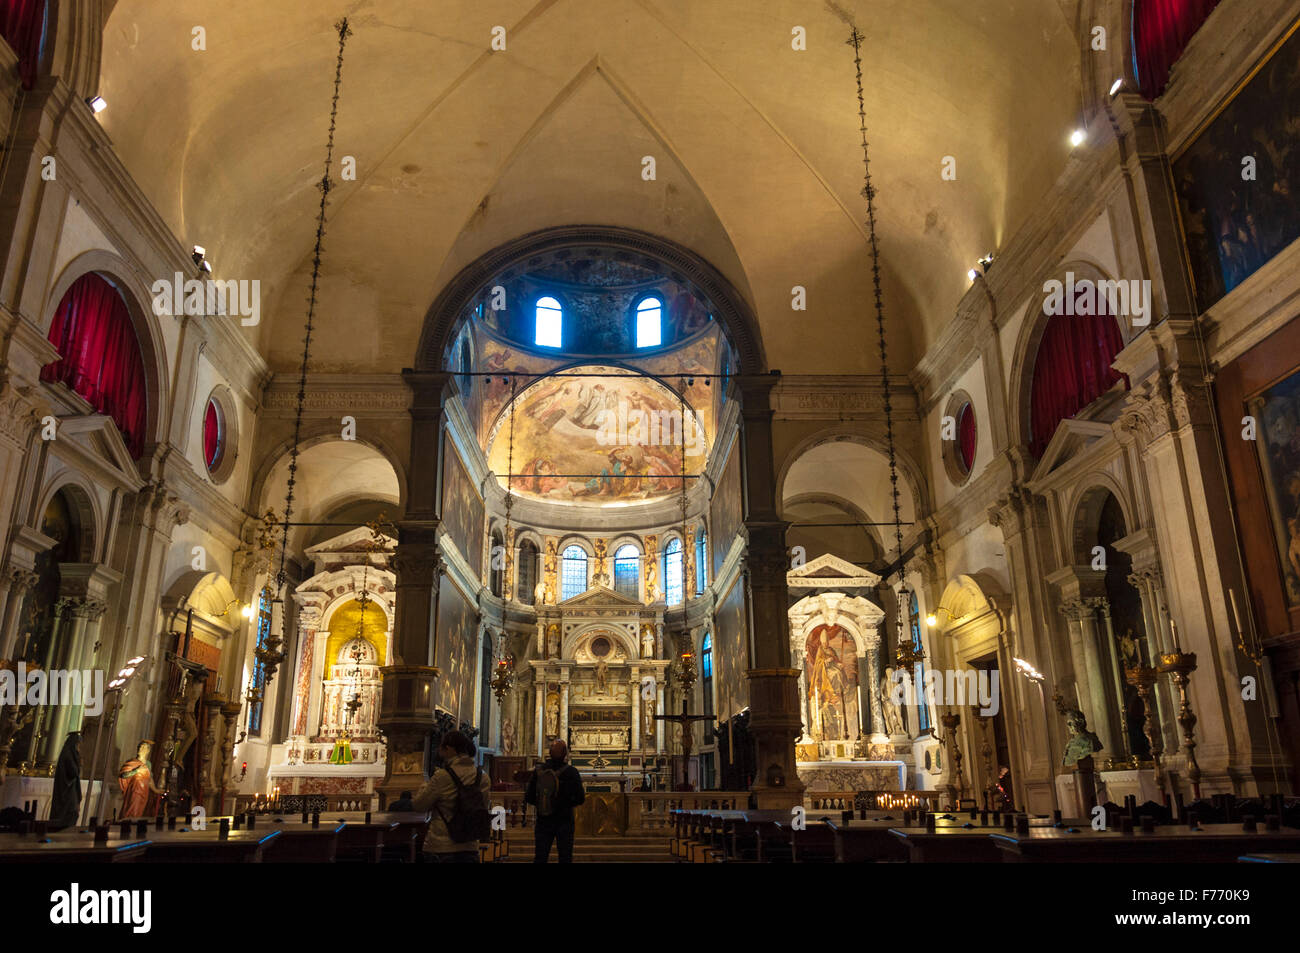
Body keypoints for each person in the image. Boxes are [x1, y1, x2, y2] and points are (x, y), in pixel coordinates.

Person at [411, 730, 492, 863]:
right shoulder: (483, 777)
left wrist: (425, 786)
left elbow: (419, 806)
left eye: (441, 747)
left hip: (442, 847)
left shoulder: (442, 776)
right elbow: (483, 806)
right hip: (470, 846)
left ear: (448, 749)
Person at [525, 739, 585, 863]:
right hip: (564, 821)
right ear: (565, 754)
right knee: (565, 857)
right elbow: (580, 798)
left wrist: (544, 803)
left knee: (540, 857)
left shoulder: (539, 772)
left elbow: (529, 797)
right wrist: (564, 803)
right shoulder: (571, 772)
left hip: (543, 821)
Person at [118, 740, 164, 819]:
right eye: (139, 747)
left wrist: (156, 790)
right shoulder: (132, 762)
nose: (140, 749)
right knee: (131, 810)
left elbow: (149, 779)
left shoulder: (148, 764)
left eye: (143, 747)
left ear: (147, 750)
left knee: (139, 812)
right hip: (135, 791)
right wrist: (136, 770)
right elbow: (123, 775)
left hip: (144, 792)